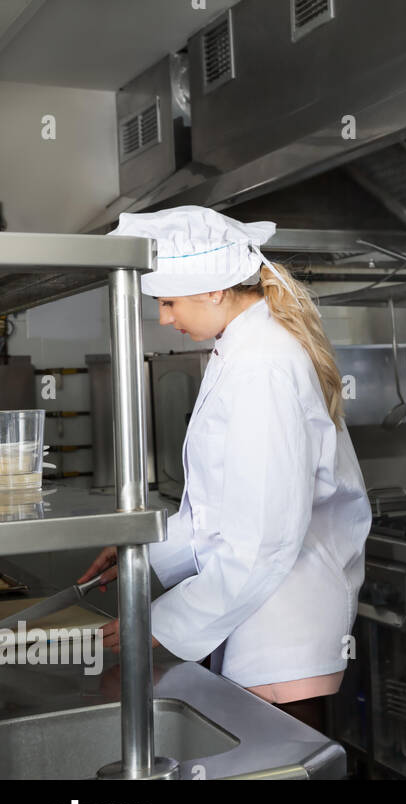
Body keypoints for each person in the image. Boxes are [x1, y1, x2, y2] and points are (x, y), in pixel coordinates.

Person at [77, 206, 371, 730]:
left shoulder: (263, 365)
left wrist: (160, 622)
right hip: (261, 613)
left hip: (285, 628)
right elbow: (225, 509)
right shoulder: (242, 351)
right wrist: (142, 554)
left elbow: (263, 539)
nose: (165, 318)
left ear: (213, 289)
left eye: (168, 301)